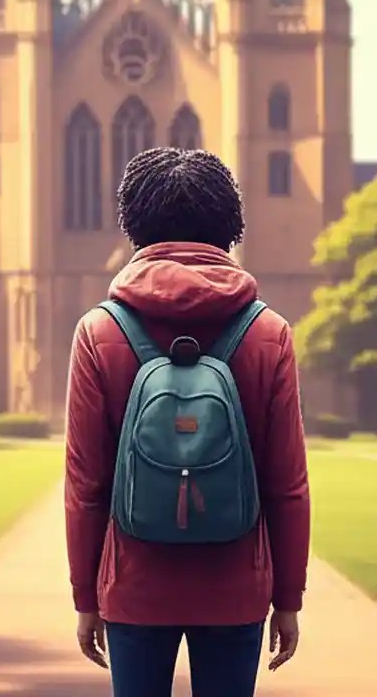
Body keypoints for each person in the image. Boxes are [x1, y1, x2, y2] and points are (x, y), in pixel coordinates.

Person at [64, 147, 311, 696]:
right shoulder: (269, 333)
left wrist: (87, 597)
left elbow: (85, 487)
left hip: (134, 585)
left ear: (134, 224)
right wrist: (288, 600)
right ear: (230, 225)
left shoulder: (98, 332)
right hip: (236, 588)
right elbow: (287, 486)